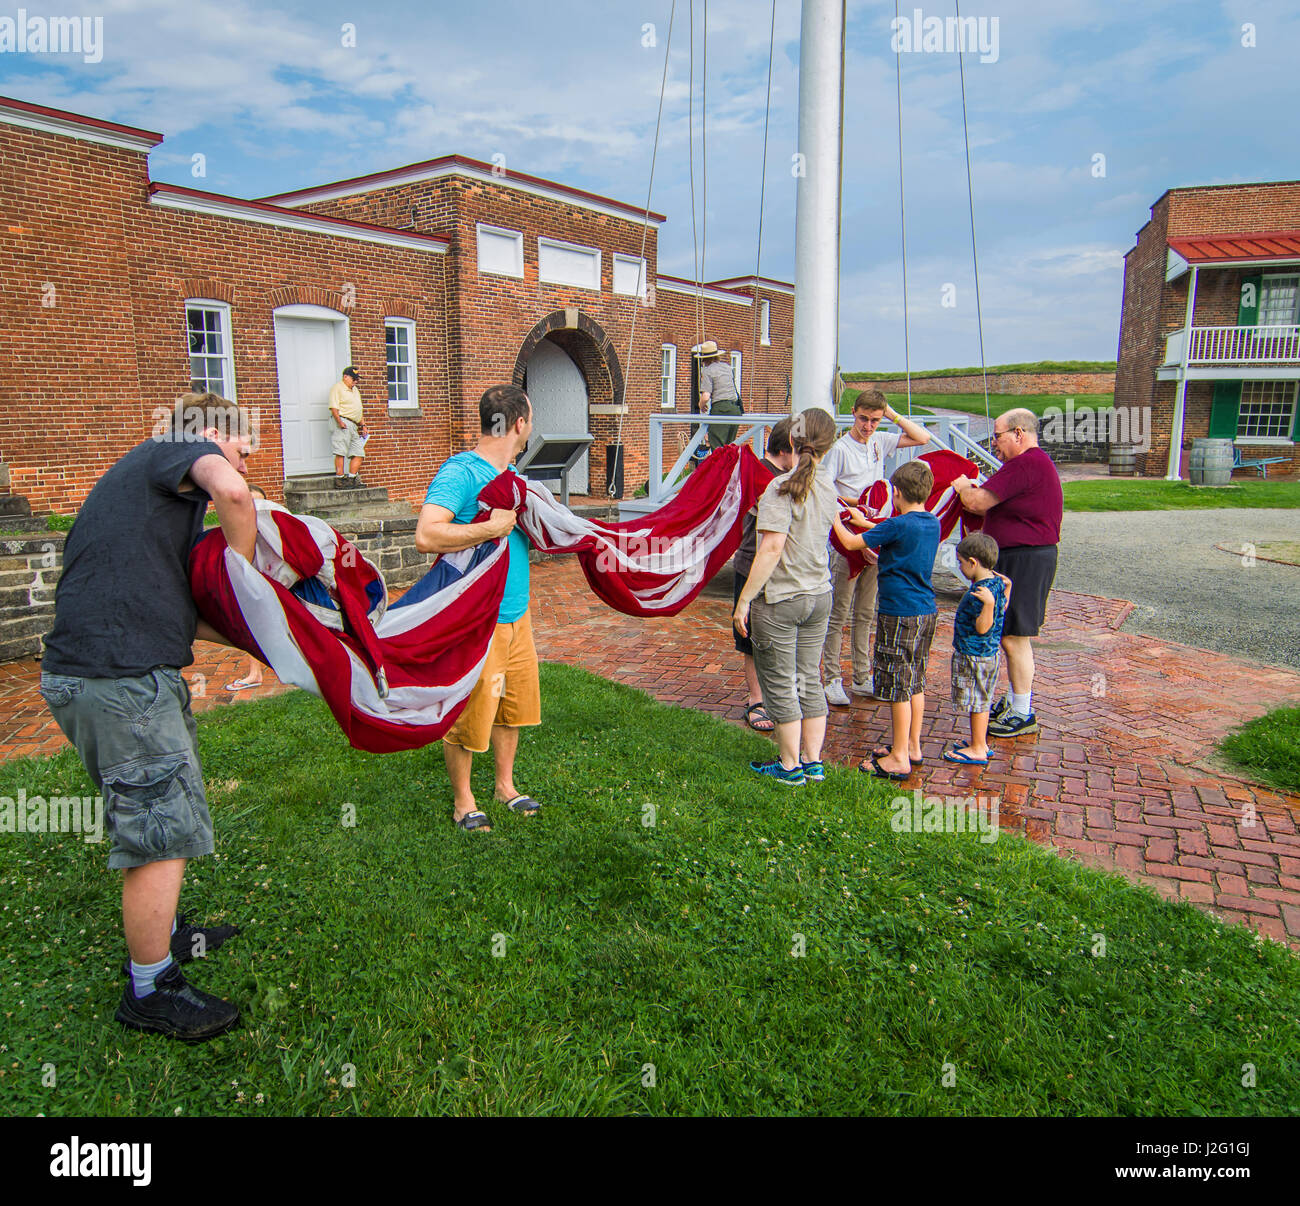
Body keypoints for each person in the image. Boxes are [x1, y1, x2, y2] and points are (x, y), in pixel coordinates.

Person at [39, 391, 256, 1041]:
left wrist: (255, 636)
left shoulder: (153, 496)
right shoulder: (179, 447)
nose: (246, 461)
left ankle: (167, 936)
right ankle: (151, 988)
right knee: (161, 830)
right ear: (214, 430)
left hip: (121, 672)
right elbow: (236, 498)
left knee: (166, 810)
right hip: (117, 680)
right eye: (243, 446)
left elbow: (177, 612)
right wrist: (245, 576)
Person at [415, 385, 541, 832]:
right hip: (478, 620)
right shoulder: (461, 472)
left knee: (513, 707)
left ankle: (505, 786)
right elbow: (427, 534)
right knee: (470, 711)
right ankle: (463, 800)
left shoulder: (517, 480)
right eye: (532, 419)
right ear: (519, 424)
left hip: (517, 613)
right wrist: (488, 527)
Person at [732, 408, 839, 786]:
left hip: (781, 600)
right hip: (819, 596)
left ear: (791, 441)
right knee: (810, 678)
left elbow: (771, 549)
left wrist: (745, 599)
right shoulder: (828, 485)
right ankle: (814, 762)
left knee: (780, 682)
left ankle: (790, 766)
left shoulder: (780, 488)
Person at [951, 408, 1063, 738]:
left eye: (998, 436)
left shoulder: (1027, 463)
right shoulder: (1029, 464)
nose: (995, 444)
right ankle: (1016, 702)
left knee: (1015, 637)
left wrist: (960, 486)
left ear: (1018, 433)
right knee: (1009, 635)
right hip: (1024, 555)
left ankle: (1022, 711)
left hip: (1026, 558)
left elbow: (977, 502)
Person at [819, 389, 931, 707]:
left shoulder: (880, 440)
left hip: (876, 533)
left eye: (875, 420)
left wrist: (892, 414)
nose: (868, 426)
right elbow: (826, 489)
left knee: (866, 612)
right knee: (839, 611)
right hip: (849, 534)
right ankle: (831, 678)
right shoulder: (841, 449)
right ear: (853, 413)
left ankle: (861, 675)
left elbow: (921, 438)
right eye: (863, 419)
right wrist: (865, 500)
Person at [835, 459, 940, 779]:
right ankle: (912, 746)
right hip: (926, 611)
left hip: (899, 613)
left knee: (897, 685)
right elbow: (896, 538)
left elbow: (850, 543)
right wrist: (865, 524)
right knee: (915, 680)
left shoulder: (898, 524)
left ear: (896, 493)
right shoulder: (930, 522)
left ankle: (897, 758)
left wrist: (833, 519)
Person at [733, 419, 796, 732]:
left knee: (770, 637)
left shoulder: (783, 476)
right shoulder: (763, 476)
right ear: (785, 450)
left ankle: (769, 696)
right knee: (752, 640)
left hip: (776, 566)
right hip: (752, 562)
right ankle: (755, 700)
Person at [942, 532, 1009, 765]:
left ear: (973, 562)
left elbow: (983, 627)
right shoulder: (997, 583)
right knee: (981, 697)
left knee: (978, 700)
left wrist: (989, 605)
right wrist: (1006, 588)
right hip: (989, 653)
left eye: (961, 562)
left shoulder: (980, 594)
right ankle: (978, 741)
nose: (959, 567)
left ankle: (978, 747)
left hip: (975, 654)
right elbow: (1005, 603)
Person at [225, 484, 268, 691]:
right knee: (249, 623)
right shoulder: (234, 527)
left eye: (258, 502)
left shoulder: (271, 526)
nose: (254, 506)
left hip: (274, 581)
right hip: (249, 580)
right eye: (249, 502)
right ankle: (255, 672)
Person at [697, 340, 743, 452]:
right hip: (735, 410)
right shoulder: (727, 367)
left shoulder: (708, 370)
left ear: (704, 359)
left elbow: (706, 396)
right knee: (730, 448)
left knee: (718, 449)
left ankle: (720, 469)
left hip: (721, 409)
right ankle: (729, 469)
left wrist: (701, 405)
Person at [329, 365, 367, 489]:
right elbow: (334, 407)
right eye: (353, 379)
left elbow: (358, 409)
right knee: (340, 451)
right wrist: (339, 422)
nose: (356, 382)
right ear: (345, 377)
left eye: (357, 379)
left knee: (359, 452)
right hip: (343, 421)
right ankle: (340, 480)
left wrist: (363, 425)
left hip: (354, 424)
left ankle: (352, 479)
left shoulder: (355, 390)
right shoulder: (337, 388)